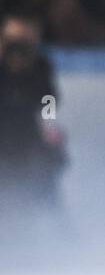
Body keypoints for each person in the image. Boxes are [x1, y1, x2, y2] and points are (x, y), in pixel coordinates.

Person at [0, 11, 67, 211]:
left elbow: (49, 98)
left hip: (28, 133)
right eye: (14, 41)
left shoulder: (39, 66)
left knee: (42, 172)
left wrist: (48, 125)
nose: (18, 49)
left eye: (26, 41)